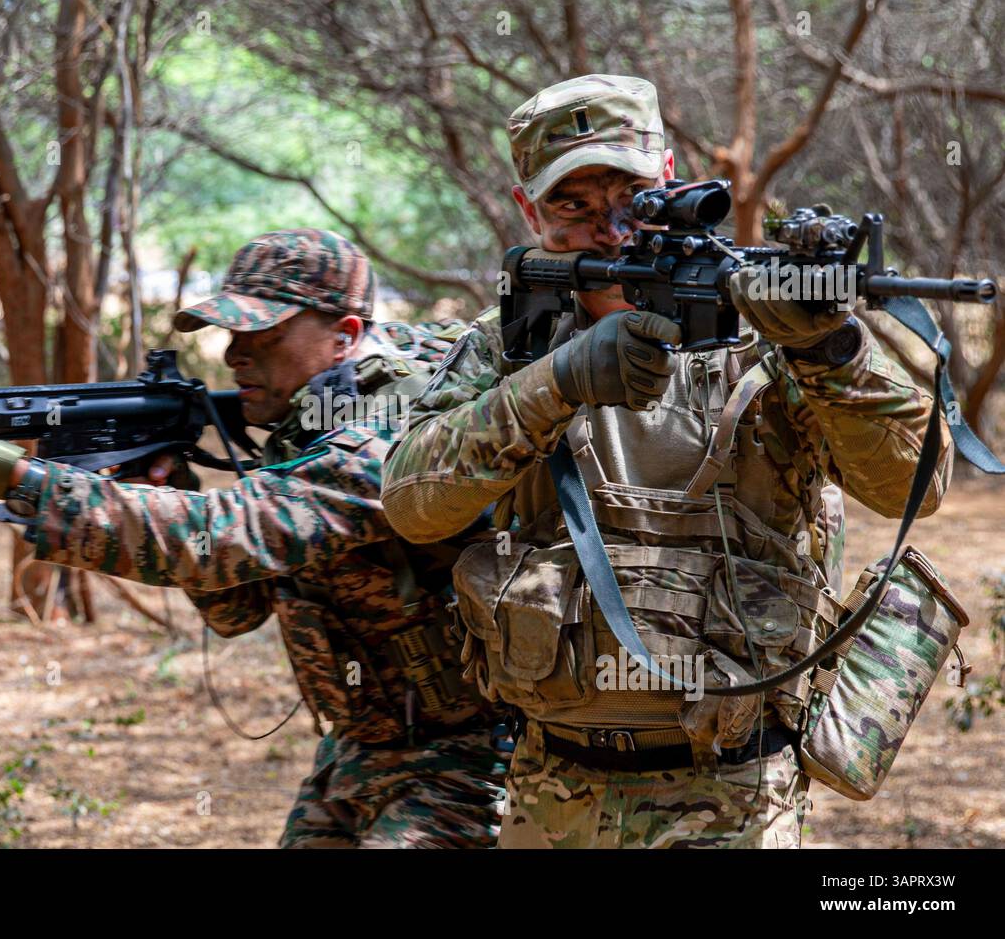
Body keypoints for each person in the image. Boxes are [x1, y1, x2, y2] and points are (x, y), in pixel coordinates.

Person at [380, 75, 952, 848]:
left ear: (674, 181)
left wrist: (831, 353)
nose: (610, 231)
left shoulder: (772, 323)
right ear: (529, 212)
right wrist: (557, 382)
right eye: (571, 207)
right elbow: (414, 504)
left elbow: (913, 485)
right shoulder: (512, 341)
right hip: (554, 791)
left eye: (631, 199)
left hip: (734, 791)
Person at [0, 228, 506, 848]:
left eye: (264, 335)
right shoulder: (312, 417)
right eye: (233, 333)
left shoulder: (395, 430)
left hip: (467, 761)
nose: (236, 354)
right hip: (359, 747)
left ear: (344, 336)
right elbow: (239, 609)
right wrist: (167, 486)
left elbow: (226, 534)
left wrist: (13, 478)